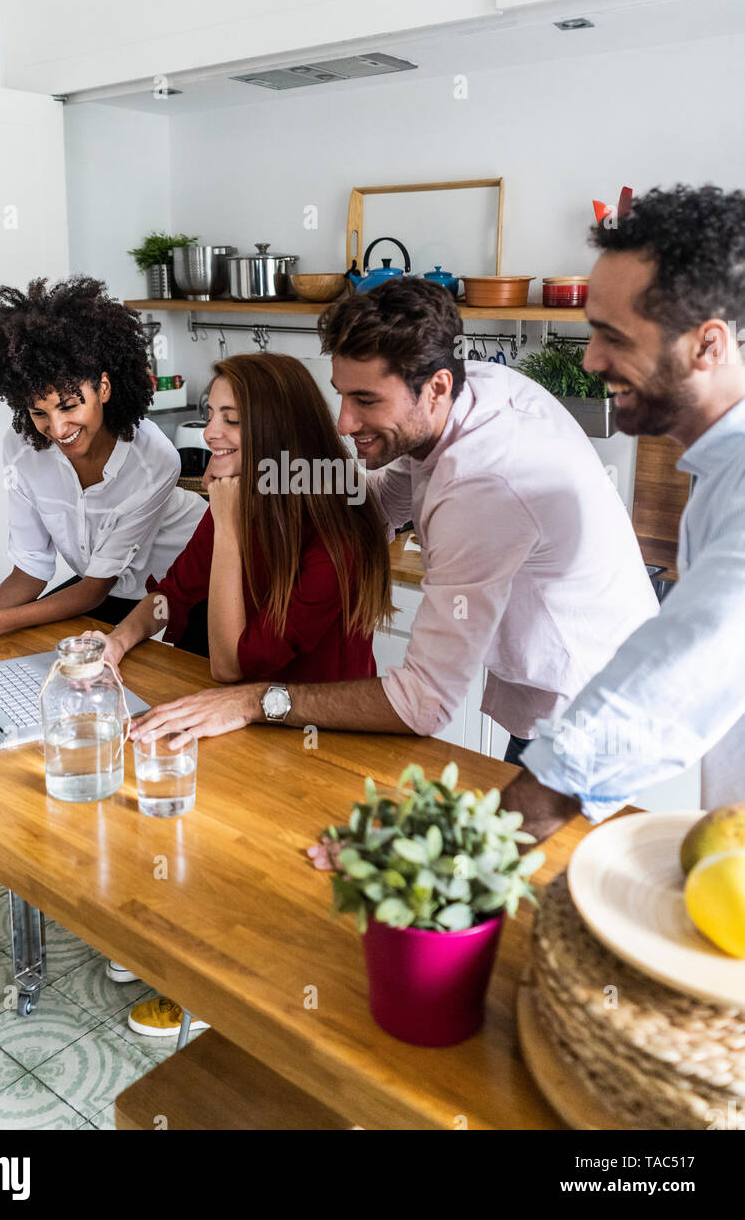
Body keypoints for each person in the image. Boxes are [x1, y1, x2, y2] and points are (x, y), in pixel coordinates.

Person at [127, 279, 658, 758]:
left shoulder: (483, 484)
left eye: (365, 400)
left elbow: (423, 703)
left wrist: (253, 702)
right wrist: (277, 485)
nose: (344, 421)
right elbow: (377, 503)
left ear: (436, 387)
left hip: (594, 712)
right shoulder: (465, 392)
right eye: (341, 395)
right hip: (557, 685)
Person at [94, 351, 394, 1034]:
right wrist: (119, 641)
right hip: (256, 724)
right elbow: (172, 597)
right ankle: (169, 948)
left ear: (279, 432)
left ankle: (224, 992)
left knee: (243, 864)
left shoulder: (333, 535)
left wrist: (226, 526)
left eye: (232, 418)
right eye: (210, 415)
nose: (213, 433)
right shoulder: (239, 499)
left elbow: (235, 667)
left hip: (322, 745)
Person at [498, 184, 745, 840]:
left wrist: (482, 839)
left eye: (613, 337)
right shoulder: (716, 472)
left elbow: (685, 664)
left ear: (708, 346)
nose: (590, 360)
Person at [0, 276, 206, 649]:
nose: (56, 428)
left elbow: (92, 591)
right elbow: (31, 571)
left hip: (184, 593)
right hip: (108, 590)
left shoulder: (153, 460)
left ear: (103, 388)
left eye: (69, 406)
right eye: (39, 412)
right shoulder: (23, 449)